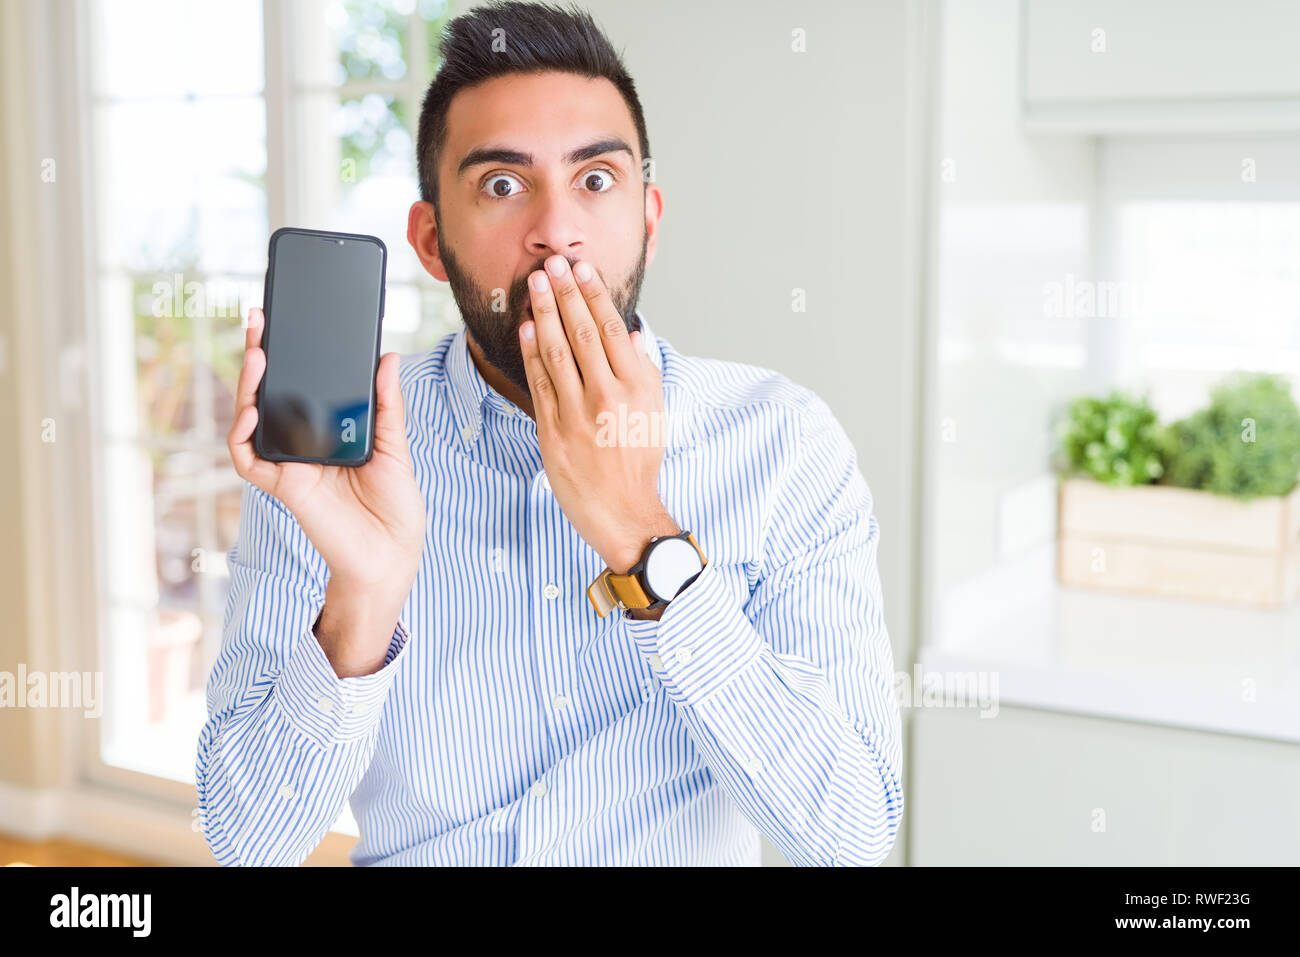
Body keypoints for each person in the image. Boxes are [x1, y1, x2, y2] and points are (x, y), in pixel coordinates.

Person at [197, 0, 903, 866]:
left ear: (648, 213)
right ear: (429, 239)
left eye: (596, 180)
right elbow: (246, 841)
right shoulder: (339, 465)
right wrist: (364, 599)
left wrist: (644, 539)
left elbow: (852, 835)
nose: (556, 231)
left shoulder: (784, 444)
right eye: (502, 184)